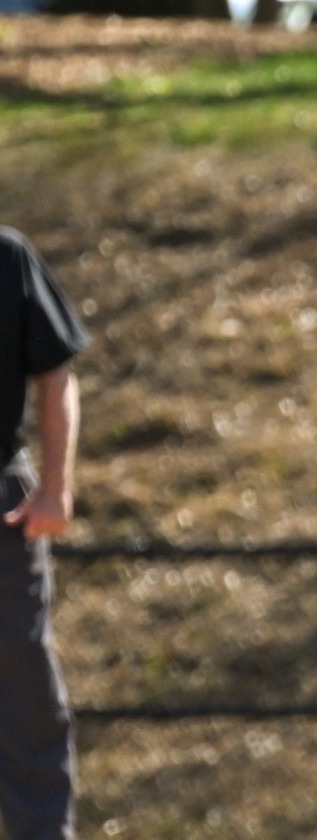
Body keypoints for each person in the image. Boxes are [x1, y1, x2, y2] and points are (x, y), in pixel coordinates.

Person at [0, 226, 88, 840]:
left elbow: (56, 376)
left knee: (23, 695)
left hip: (1, 507)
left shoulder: (6, 257)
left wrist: (55, 487)